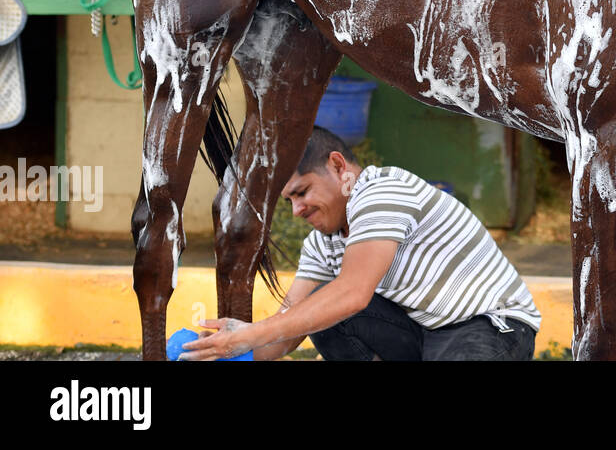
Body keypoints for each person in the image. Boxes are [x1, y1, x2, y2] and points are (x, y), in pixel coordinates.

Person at [181, 126, 540, 360]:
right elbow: (287, 328)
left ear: (338, 167)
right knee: (320, 309)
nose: (296, 210)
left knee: (336, 298)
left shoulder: (382, 191)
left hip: (491, 327)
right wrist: (219, 350)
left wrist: (249, 335)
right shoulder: (323, 243)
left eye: (301, 192)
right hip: (425, 336)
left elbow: (353, 293)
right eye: (288, 201)